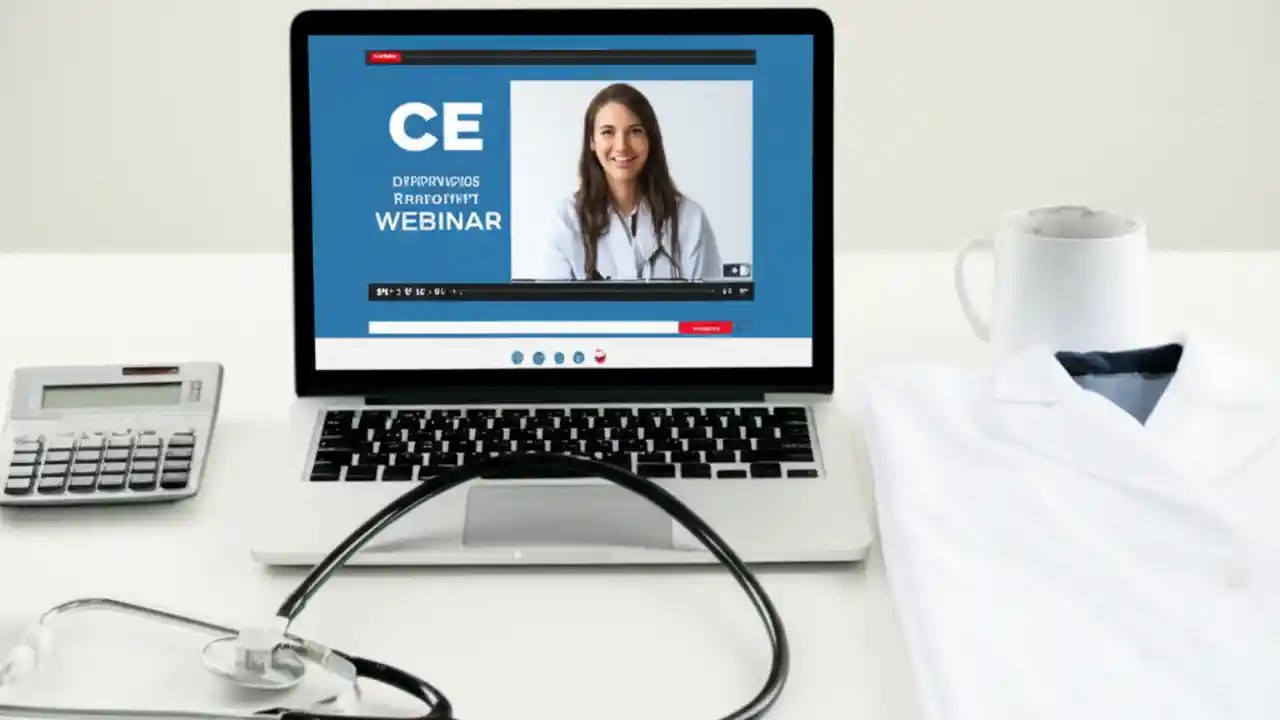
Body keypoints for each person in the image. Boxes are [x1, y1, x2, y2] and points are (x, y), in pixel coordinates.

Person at [539, 83, 721, 281]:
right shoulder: (567, 221)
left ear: (650, 139)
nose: (621, 146)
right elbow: (555, 310)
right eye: (608, 132)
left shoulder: (690, 219)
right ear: (592, 141)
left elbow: (709, 309)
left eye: (635, 131)